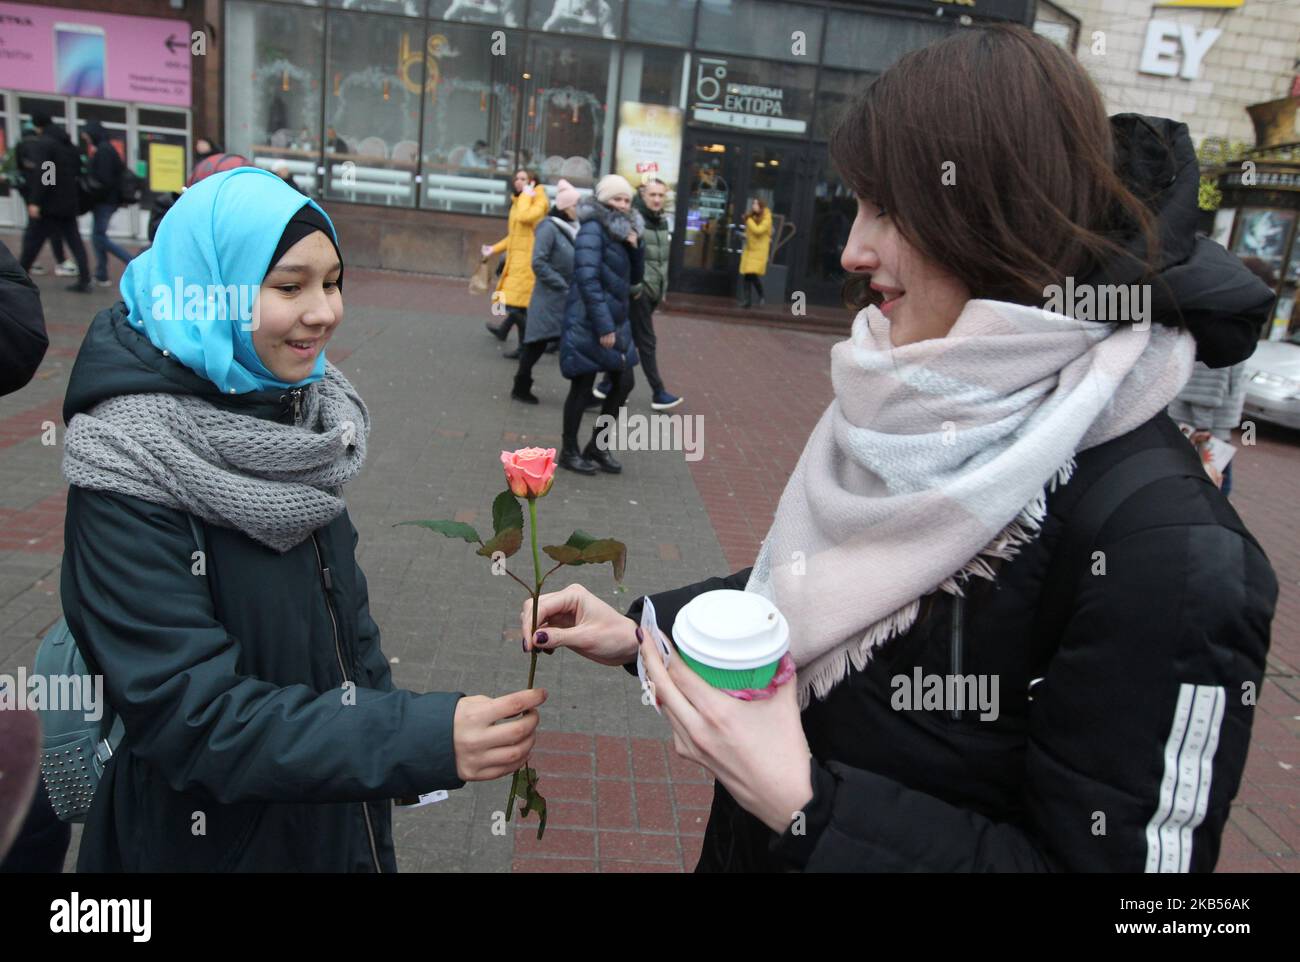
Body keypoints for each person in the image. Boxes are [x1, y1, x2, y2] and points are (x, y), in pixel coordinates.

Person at [523, 25, 1276, 872]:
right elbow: (832, 586)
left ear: (997, 217)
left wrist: (810, 807)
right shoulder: (917, 399)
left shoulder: (1170, 550)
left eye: (892, 209)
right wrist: (644, 633)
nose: (852, 251)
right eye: (859, 205)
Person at [59, 166, 545, 871]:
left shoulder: (303, 416)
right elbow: (191, 717)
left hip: (331, 814)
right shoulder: (126, 465)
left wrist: (391, 752)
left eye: (333, 281)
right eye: (289, 287)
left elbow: (345, 621)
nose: (324, 311)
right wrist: (413, 741)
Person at [1167, 256, 1276, 497]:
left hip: (1201, 427)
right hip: (1203, 430)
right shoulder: (1229, 327)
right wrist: (1204, 428)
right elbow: (1206, 388)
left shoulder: (1218, 316)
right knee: (1211, 492)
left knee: (1200, 487)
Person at [557, 175, 643, 475]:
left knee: (624, 383)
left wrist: (636, 246)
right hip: (590, 320)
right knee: (582, 385)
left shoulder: (623, 232)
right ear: (604, 201)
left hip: (617, 320)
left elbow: (634, 279)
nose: (622, 205)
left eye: (627, 200)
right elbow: (588, 279)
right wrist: (604, 326)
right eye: (616, 199)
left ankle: (597, 446)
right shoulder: (594, 229)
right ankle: (568, 451)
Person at [595, 177, 682, 410]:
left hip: (653, 291)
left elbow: (662, 260)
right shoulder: (636, 221)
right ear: (643, 196)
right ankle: (658, 392)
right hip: (639, 291)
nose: (656, 199)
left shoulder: (662, 221)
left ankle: (604, 386)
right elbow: (630, 258)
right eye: (652, 195)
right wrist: (635, 288)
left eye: (660, 195)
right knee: (647, 341)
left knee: (629, 339)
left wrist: (662, 289)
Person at [511, 179, 581, 404]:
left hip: (566, 299)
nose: (579, 210)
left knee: (574, 343)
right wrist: (562, 284)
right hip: (549, 298)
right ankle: (521, 386)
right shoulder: (549, 228)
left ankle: (584, 391)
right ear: (564, 207)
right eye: (575, 205)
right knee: (536, 343)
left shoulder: (574, 229)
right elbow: (538, 262)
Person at [18, 111, 91, 293]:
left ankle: (17, 278)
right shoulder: (69, 145)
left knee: (33, 241)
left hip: (51, 205)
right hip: (69, 203)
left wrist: (36, 201)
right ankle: (85, 278)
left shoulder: (46, 145)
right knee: (75, 242)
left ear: (37, 125)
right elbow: (77, 172)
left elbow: (46, 175)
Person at [483, 168, 548, 359]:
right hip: (516, 261)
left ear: (533, 182)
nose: (518, 182)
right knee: (518, 306)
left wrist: (527, 196)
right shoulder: (519, 201)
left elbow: (524, 217)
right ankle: (523, 347)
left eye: (524, 179)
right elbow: (514, 236)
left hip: (528, 262)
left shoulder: (538, 201)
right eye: (517, 178)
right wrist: (493, 249)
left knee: (512, 305)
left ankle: (531, 343)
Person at [5, 122, 73, 276]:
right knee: (42, 233)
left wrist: (36, 200)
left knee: (36, 233)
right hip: (43, 201)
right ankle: (29, 266)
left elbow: (45, 177)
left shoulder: (26, 147)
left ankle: (25, 266)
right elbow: (47, 177)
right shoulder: (44, 149)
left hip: (36, 198)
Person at [80, 121, 136, 288]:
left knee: (99, 237)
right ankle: (101, 273)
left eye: (86, 136)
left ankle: (130, 261)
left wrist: (90, 189)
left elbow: (105, 180)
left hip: (105, 201)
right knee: (98, 237)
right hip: (105, 200)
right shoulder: (105, 149)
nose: (86, 140)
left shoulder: (104, 151)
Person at [738, 197, 771, 308]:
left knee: (751, 275)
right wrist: (743, 235)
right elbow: (751, 233)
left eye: (756, 204)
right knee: (749, 275)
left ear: (761, 206)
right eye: (753, 204)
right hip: (750, 250)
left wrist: (748, 220)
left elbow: (758, 230)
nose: (753, 206)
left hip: (758, 252)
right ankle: (750, 300)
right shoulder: (753, 217)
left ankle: (759, 296)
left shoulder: (767, 217)